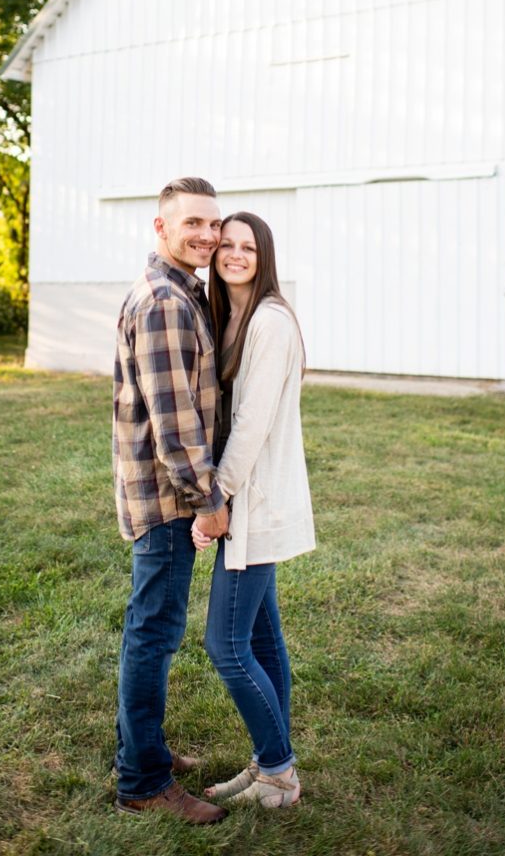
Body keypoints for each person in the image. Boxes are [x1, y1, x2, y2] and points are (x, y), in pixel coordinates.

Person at [112, 176, 230, 824]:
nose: (207, 235)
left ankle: (142, 746)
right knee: (153, 636)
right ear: (162, 228)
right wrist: (205, 501)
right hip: (167, 502)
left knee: (149, 633)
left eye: (212, 224)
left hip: (162, 495)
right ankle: (142, 781)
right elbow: (175, 423)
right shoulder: (163, 300)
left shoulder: (183, 291)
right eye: (194, 224)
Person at [190, 211, 315, 808]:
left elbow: (251, 426)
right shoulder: (235, 315)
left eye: (248, 246)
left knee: (226, 645)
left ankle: (280, 771)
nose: (234, 254)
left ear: (264, 255)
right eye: (227, 246)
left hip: (253, 503)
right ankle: (269, 765)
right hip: (251, 499)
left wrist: (216, 500)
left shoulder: (269, 322)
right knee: (264, 642)